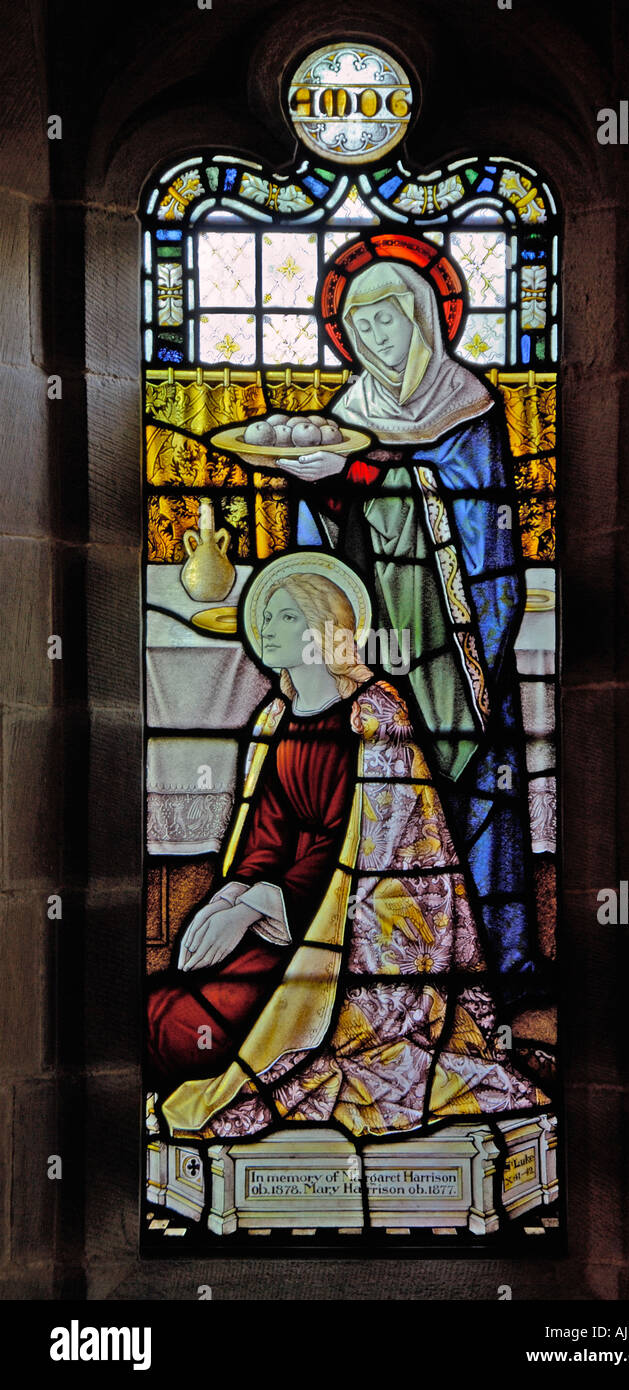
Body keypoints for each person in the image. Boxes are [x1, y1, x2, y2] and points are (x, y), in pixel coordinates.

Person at [148, 553, 546, 1140]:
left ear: (322, 631)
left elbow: (374, 851)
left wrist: (257, 904)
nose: (267, 630)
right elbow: (267, 834)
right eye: (268, 618)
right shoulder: (275, 720)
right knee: (159, 1011)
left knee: (192, 1030)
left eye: (284, 617)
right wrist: (226, 903)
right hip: (284, 920)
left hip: (349, 940)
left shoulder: (376, 715)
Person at [275, 259, 549, 1010]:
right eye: (358, 326)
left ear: (422, 317)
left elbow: (479, 524)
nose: (372, 338)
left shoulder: (466, 405)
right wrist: (322, 486)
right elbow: (322, 544)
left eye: (384, 319)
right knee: (384, 798)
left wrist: (370, 472)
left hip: (453, 635)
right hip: (375, 635)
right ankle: (377, 979)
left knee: (476, 795)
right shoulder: (349, 409)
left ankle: (487, 972)